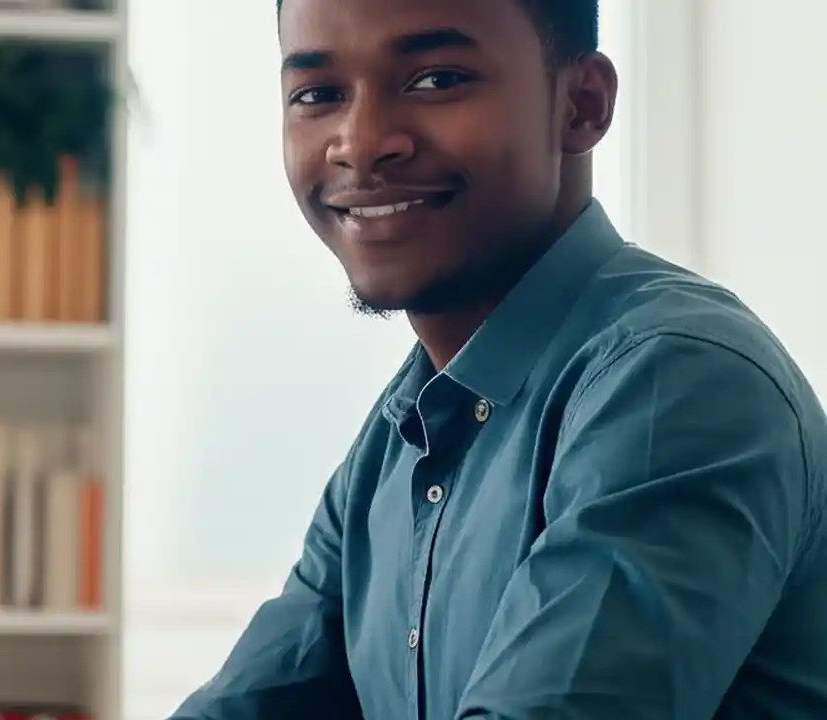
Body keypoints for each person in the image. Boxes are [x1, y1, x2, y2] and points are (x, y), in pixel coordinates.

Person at [170, 0, 827, 718]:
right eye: (318, 94)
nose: (360, 144)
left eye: (436, 79)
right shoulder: (400, 436)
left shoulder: (678, 385)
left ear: (582, 104)